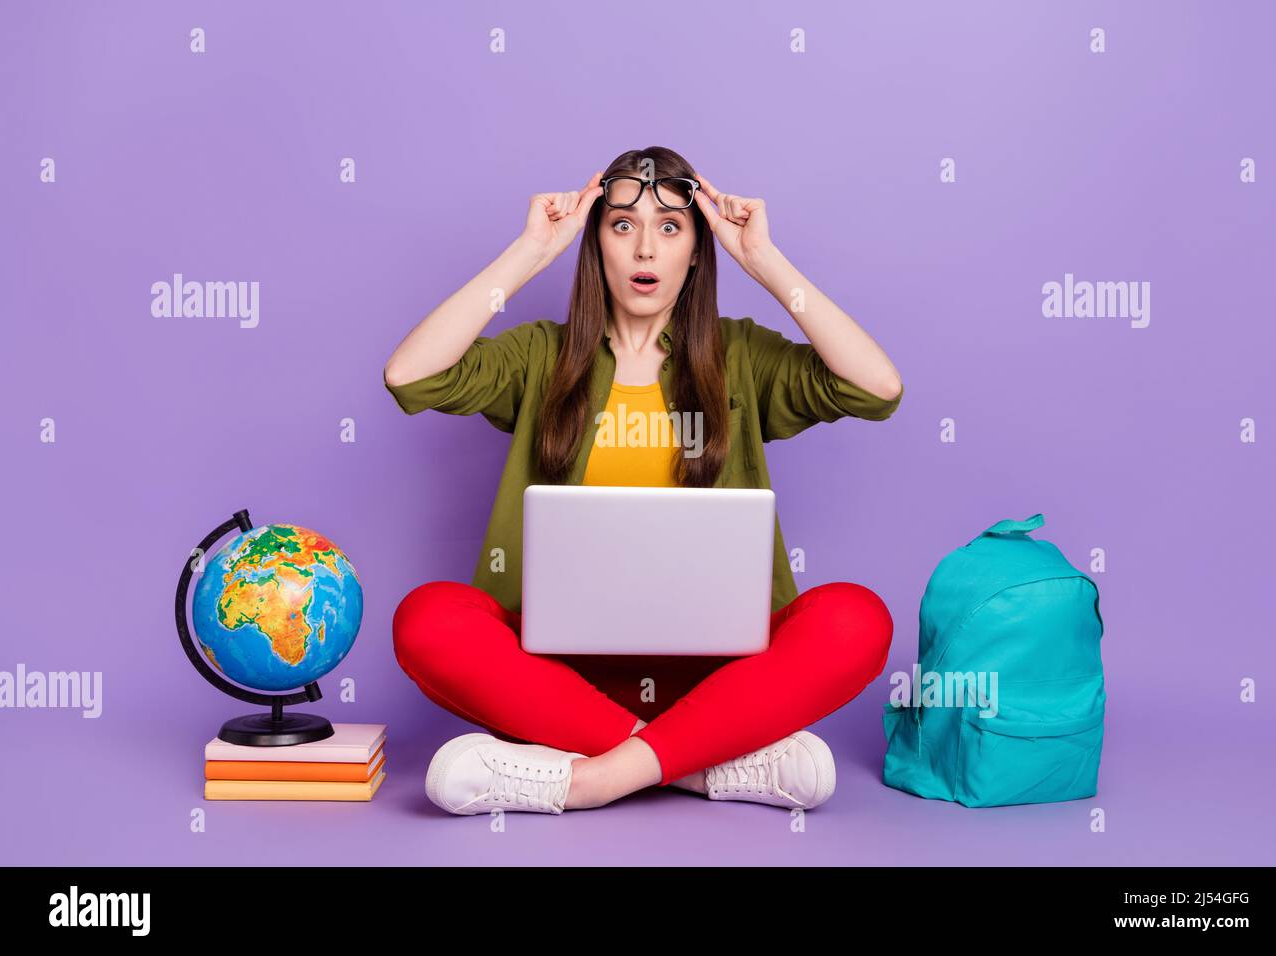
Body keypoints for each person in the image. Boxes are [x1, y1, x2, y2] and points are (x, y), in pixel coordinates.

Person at [383, 146, 904, 816]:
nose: (645, 251)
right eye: (622, 225)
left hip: (717, 677)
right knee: (426, 620)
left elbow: (877, 388)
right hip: (563, 677)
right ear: (595, 242)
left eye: (669, 227)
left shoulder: (739, 355)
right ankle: (697, 764)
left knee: (857, 619)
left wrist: (765, 263)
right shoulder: (542, 354)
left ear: (697, 248)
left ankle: (590, 778)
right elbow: (410, 376)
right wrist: (530, 252)